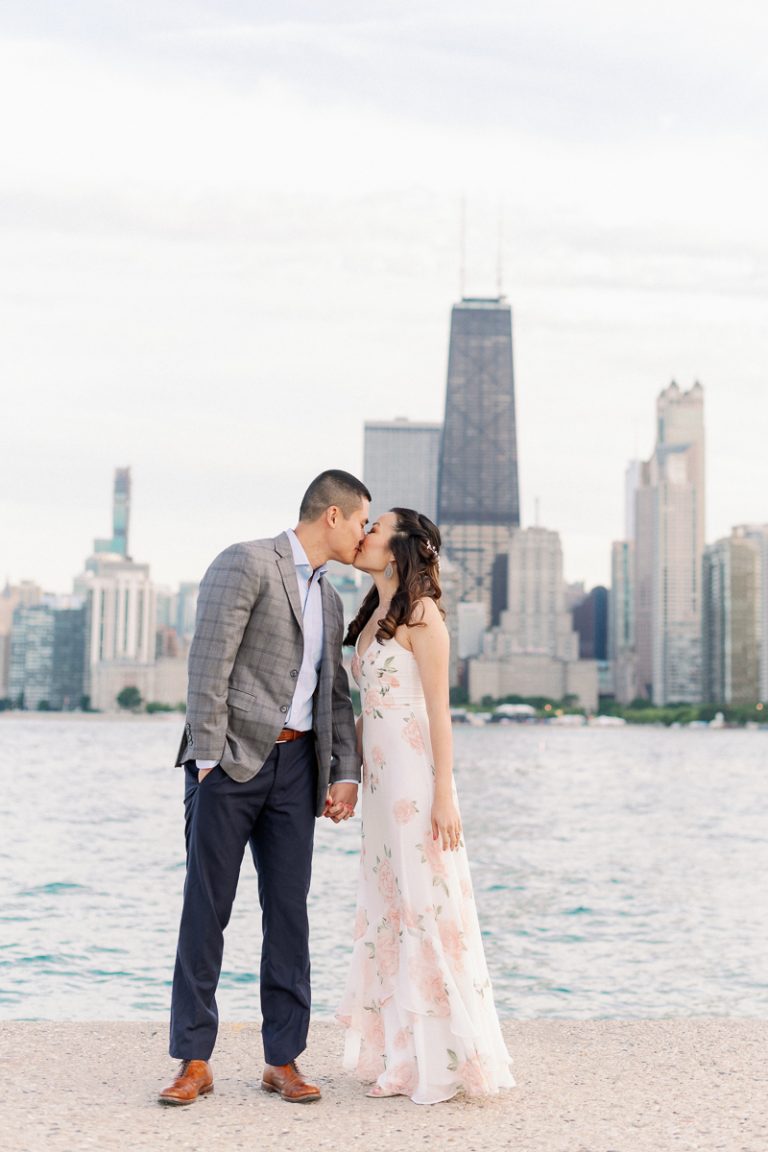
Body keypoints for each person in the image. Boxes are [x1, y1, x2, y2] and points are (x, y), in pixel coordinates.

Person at [158, 470, 370, 1107]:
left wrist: (342, 771)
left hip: (297, 771)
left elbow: (333, 693)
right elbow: (209, 664)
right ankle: (194, 1060)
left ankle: (284, 1059)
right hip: (229, 765)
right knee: (207, 912)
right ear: (332, 516)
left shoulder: (331, 599)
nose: (365, 534)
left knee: (289, 917)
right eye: (362, 520)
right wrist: (207, 757)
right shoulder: (246, 561)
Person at [338, 508, 514, 1104]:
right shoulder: (371, 620)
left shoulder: (423, 615)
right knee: (389, 909)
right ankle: (401, 1052)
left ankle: (439, 1057)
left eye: (376, 527)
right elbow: (374, 711)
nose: (364, 535)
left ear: (399, 547)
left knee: (423, 906)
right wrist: (342, 777)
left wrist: (444, 795)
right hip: (381, 789)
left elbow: (438, 713)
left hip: (418, 786)